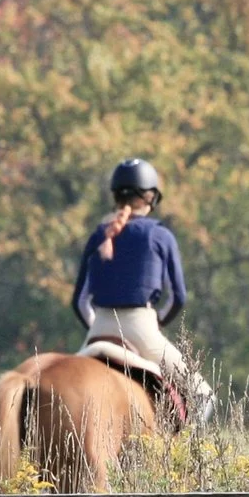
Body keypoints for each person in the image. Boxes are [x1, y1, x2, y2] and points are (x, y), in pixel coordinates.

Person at [71, 158, 214, 418]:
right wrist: (157, 321)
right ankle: (182, 457)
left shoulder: (97, 236)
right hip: (141, 330)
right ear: (151, 197)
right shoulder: (161, 236)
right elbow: (178, 297)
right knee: (202, 396)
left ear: (115, 196)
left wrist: (98, 327)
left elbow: (79, 302)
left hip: (99, 329)